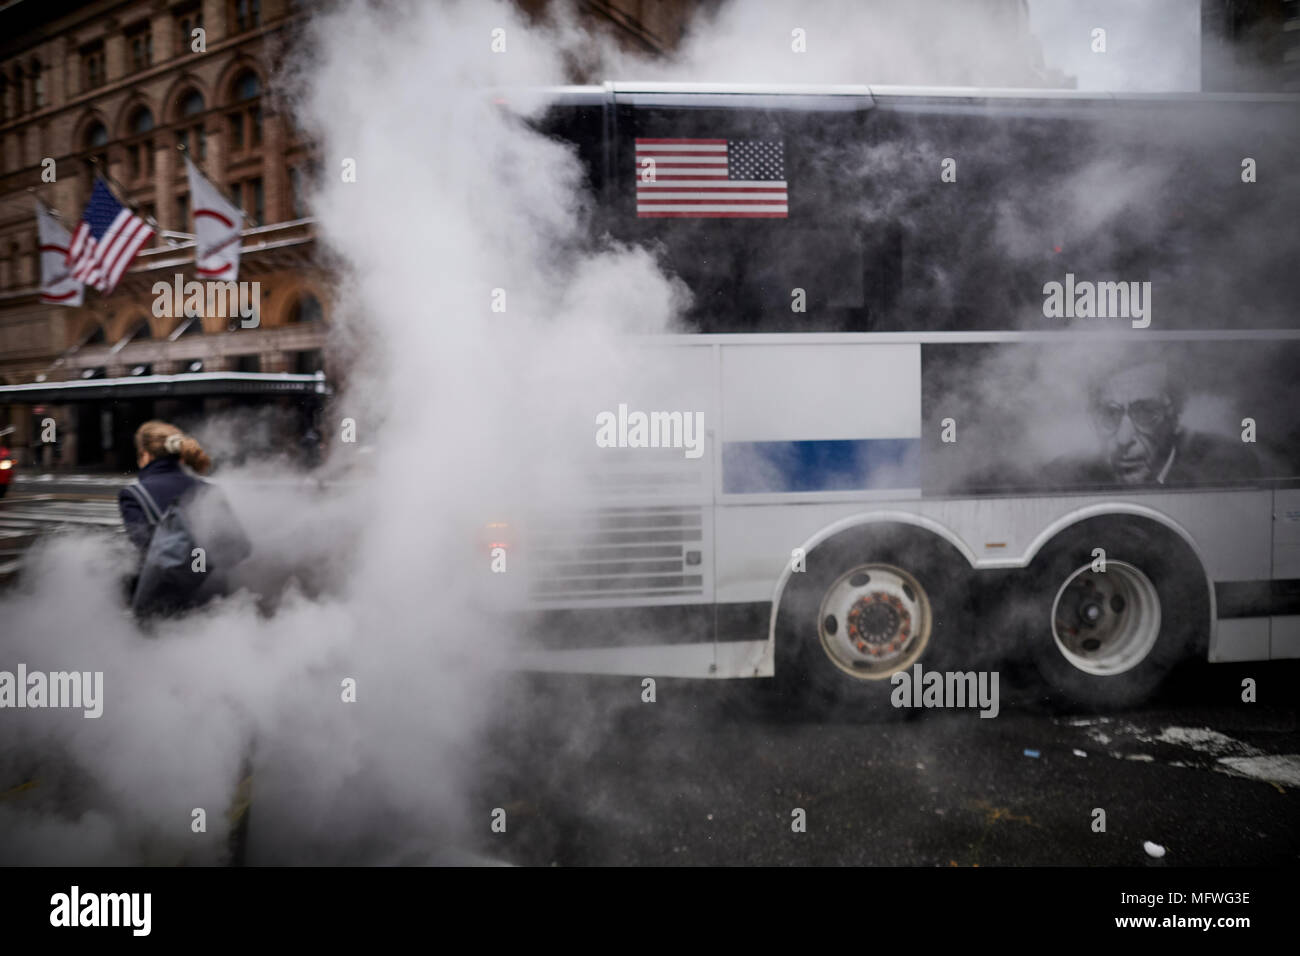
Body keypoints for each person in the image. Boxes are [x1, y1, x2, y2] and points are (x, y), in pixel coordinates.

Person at [1044, 359, 1261, 488]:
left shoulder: (1226, 469)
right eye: (1110, 414)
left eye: (1146, 413)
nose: (1123, 439)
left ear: (1175, 417)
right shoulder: (1061, 479)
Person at [118, 420, 211, 553]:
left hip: (167, 574)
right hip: (213, 572)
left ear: (145, 455)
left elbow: (146, 550)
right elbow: (241, 548)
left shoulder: (135, 495)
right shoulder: (208, 490)